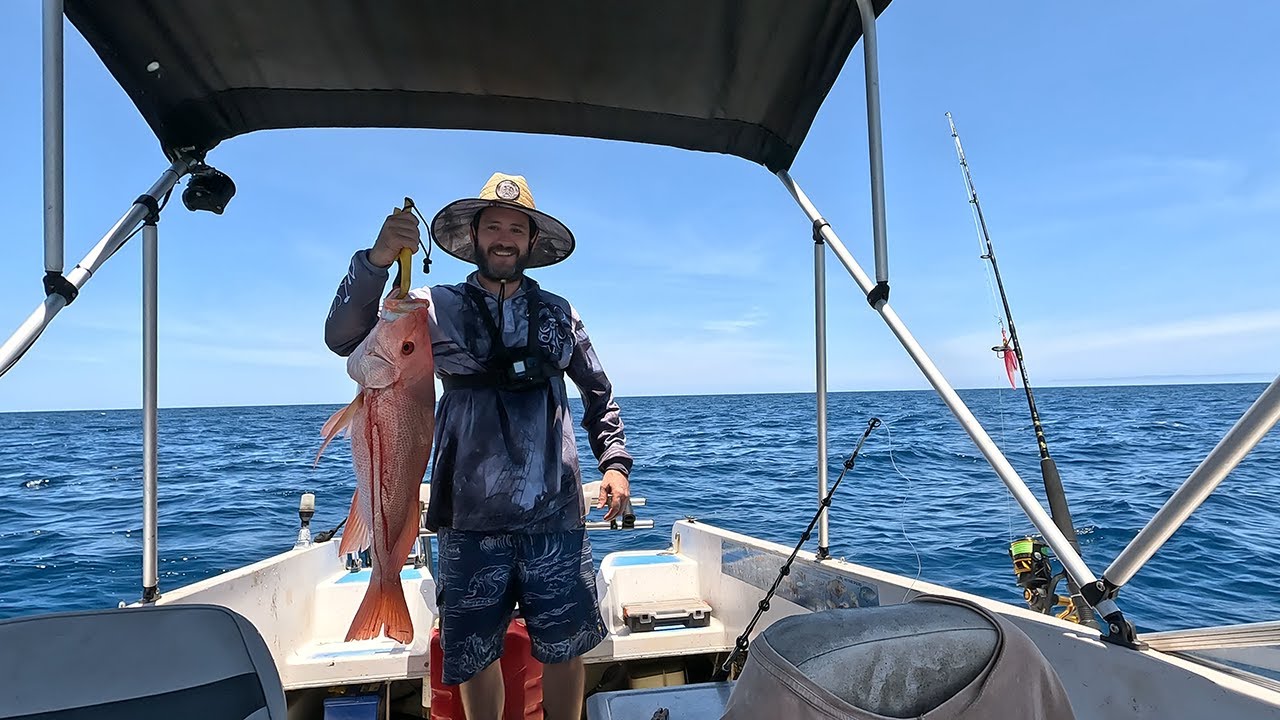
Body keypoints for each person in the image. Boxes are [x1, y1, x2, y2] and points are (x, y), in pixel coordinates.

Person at [323, 172, 633, 720]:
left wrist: (615, 464)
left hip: (555, 516)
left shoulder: (562, 313)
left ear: (532, 243)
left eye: (517, 227)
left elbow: (598, 392)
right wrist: (376, 259)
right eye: (495, 226)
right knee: (470, 656)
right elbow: (345, 336)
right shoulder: (431, 306)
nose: (505, 237)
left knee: (565, 649)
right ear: (475, 236)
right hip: (467, 518)